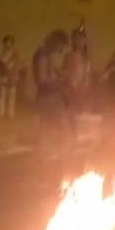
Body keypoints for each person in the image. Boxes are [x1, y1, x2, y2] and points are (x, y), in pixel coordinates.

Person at [35, 31, 70, 160]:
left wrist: (60, 75)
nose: (61, 50)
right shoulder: (43, 56)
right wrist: (60, 81)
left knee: (50, 130)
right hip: (49, 98)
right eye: (61, 46)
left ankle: (49, 160)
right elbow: (42, 79)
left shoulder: (46, 55)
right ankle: (55, 161)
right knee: (56, 131)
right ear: (55, 42)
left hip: (50, 98)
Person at [0, 36, 20, 118]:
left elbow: (16, 64)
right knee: (2, 95)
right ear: (4, 43)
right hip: (3, 76)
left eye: (10, 42)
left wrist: (13, 73)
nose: (8, 44)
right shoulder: (1, 53)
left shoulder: (15, 53)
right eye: (6, 42)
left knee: (12, 96)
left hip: (12, 76)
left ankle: (10, 113)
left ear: (12, 44)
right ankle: (1, 113)